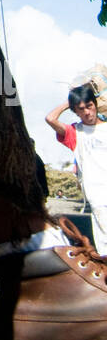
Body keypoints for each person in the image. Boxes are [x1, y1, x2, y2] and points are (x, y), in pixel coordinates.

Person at [46, 81, 107, 255]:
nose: (87, 112)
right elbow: (50, 118)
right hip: (98, 195)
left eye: (89, 106)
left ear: (95, 105)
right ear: (75, 111)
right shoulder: (75, 133)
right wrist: (69, 101)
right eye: (81, 109)